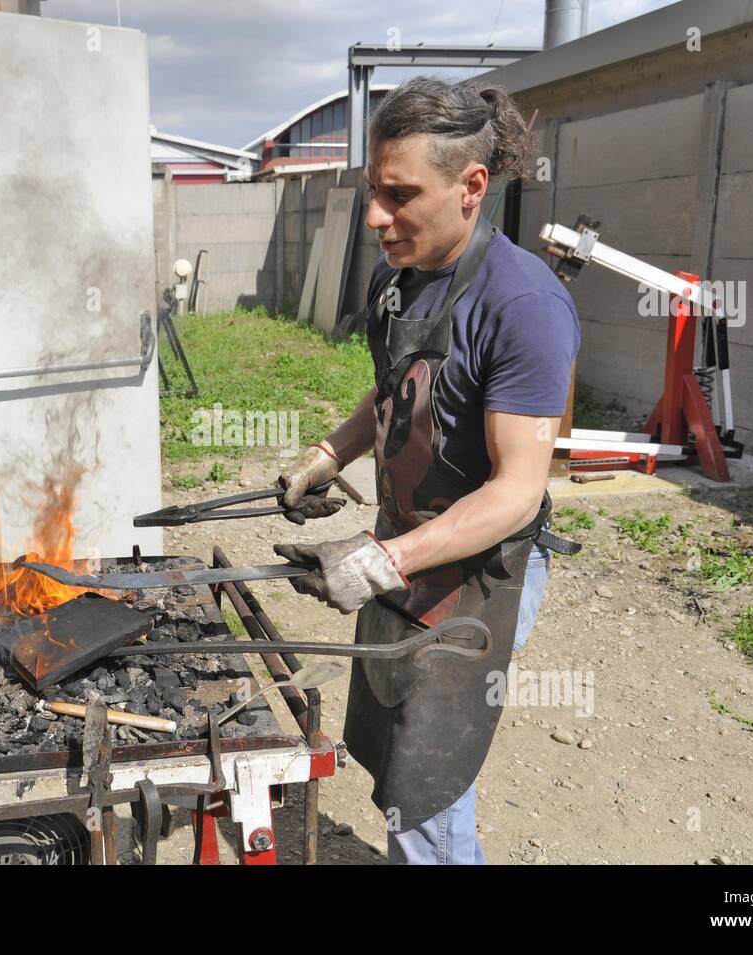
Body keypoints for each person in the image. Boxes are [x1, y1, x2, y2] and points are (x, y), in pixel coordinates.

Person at [275, 77, 580, 865]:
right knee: (390, 738)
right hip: (407, 540)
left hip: (481, 570)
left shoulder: (525, 307)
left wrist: (384, 559)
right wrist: (329, 454)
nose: (375, 217)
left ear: (471, 186)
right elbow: (392, 385)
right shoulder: (395, 276)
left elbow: (517, 490)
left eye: (399, 195)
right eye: (373, 191)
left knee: (428, 780)